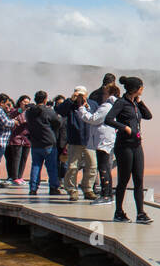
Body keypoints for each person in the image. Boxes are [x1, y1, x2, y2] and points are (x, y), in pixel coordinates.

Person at [104, 76, 153, 224]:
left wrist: (139, 102)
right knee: (124, 180)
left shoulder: (135, 104)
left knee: (139, 180)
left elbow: (148, 116)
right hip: (124, 146)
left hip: (137, 145)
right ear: (136, 89)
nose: (143, 89)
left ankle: (140, 213)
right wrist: (124, 127)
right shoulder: (121, 103)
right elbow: (108, 119)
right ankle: (118, 212)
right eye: (141, 87)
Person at [56, 86, 98, 202]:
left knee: (92, 165)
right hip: (75, 140)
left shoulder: (92, 104)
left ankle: (88, 189)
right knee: (72, 166)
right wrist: (70, 100)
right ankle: (72, 190)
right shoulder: (70, 105)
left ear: (86, 95)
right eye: (78, 94)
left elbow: (98, 117)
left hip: (90, 140)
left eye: (82, 95)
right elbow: (59, 111)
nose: (80, 97)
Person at [80, 82, 119, 204]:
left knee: (103, 167)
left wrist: (81, 109)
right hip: (109, 139)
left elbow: (93, 119)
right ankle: (107, 194)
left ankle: (106, 195)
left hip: (103, 141)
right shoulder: (116, 104)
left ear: (109, 93)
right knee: (106, 167)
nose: (102, 95)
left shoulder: (106, 106)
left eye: (105, 93)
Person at [24, 90, 64, 195]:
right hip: (49, 143)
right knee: (52, 167)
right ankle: (53, 187)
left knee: (36, 166)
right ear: (45, 99)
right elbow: (58, 121)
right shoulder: (48, 111)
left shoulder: (29, 111)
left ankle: (33, 188)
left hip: (35, 143)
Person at [6, 95, 32, 185]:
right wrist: (21, 109)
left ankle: (20, 176)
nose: (26, 104)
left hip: (27, 139)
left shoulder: (29, 112)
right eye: (24, 102)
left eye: (28, 102)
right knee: (16, 158)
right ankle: (14, 177)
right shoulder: (16, 110)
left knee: (24, 158)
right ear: (20, 102)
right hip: (17, 138)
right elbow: (11, 116)